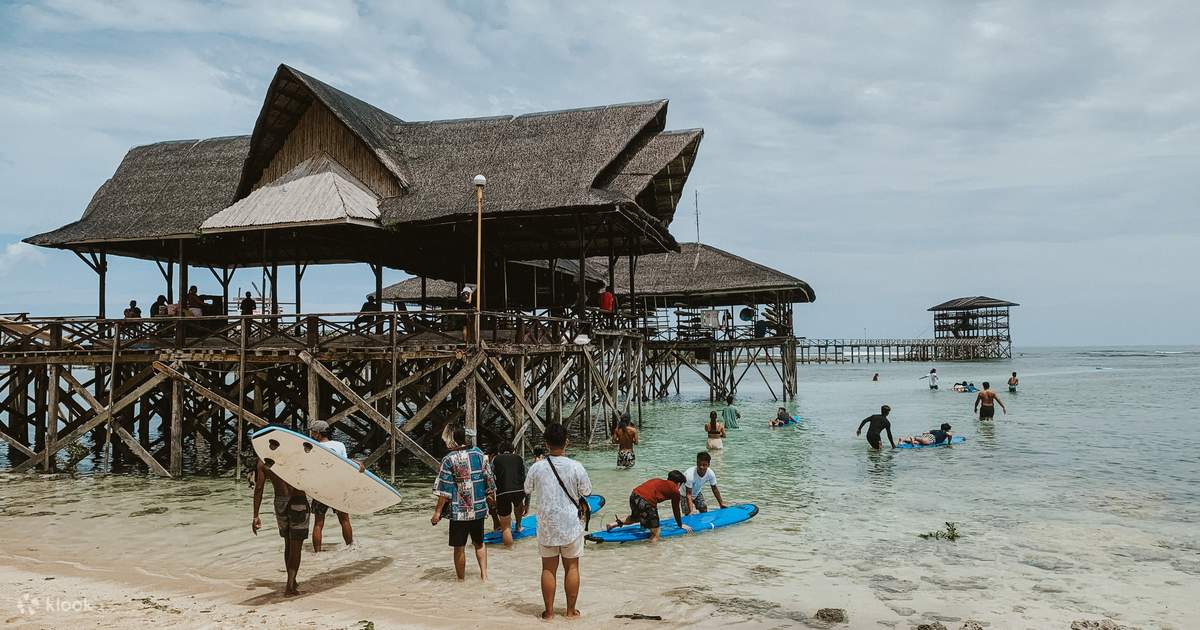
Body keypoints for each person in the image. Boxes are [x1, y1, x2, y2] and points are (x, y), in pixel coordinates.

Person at [523, 423, 592, 620]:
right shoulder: (576, 466)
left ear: (546, 443)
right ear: (567, 442)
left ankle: (549, 612)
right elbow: (587, 491)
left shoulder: (537, 467)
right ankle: (571, 611)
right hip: (570, 524)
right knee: (572, 567)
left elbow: (527, 489)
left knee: (548, 568)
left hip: (547, 525)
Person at [431, 426, 495, 581]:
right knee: (479, 544)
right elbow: (489, 479)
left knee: (459, 547)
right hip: (478, 508)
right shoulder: (479, 454)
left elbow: (445, 490)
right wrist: (490, 496)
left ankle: (461, 580)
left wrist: (438, 512)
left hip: (459, 512)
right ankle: (484, 577)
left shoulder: (449, 459)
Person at [251, 452, 308, 596]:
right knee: (296, 546)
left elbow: (258, 489)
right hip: (298, 501)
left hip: (280, 502)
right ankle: (290, 586)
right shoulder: (294, 456)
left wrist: (256, 515)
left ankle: (292, 581)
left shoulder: (263, 461)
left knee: (288, 543)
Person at [307, 421, 362, 553]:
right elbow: (345, 465)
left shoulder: (313, 447)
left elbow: (310, 469)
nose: (311, 434)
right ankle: (350, 548)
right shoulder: (339, 445)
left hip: (322, 489)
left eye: (313, 432)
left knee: (318, 523)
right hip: (338, 487)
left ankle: (317, 553)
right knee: (344, 520)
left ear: (318, 433)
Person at [606, 471, 693, 542]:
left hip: (634, 495)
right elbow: (676, 509)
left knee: (636, 517)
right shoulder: (675, 490)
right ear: (678, 483)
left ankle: (613, 524)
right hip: (646, 501)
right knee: (656, 534)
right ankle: (652, 556)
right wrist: (680, 525)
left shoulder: (657, 480)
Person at [490, 441, 528, 548]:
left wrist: (491, 494)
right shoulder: (519, 458)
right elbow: (526, 476)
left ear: (499, 451)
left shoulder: (495, 459)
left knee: (506, 527)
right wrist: (527, 501)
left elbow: (489, 476)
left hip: (502, 492)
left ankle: (509, 551)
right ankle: (518, 526)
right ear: (513, 450)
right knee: (518, 504)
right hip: (518, 490)